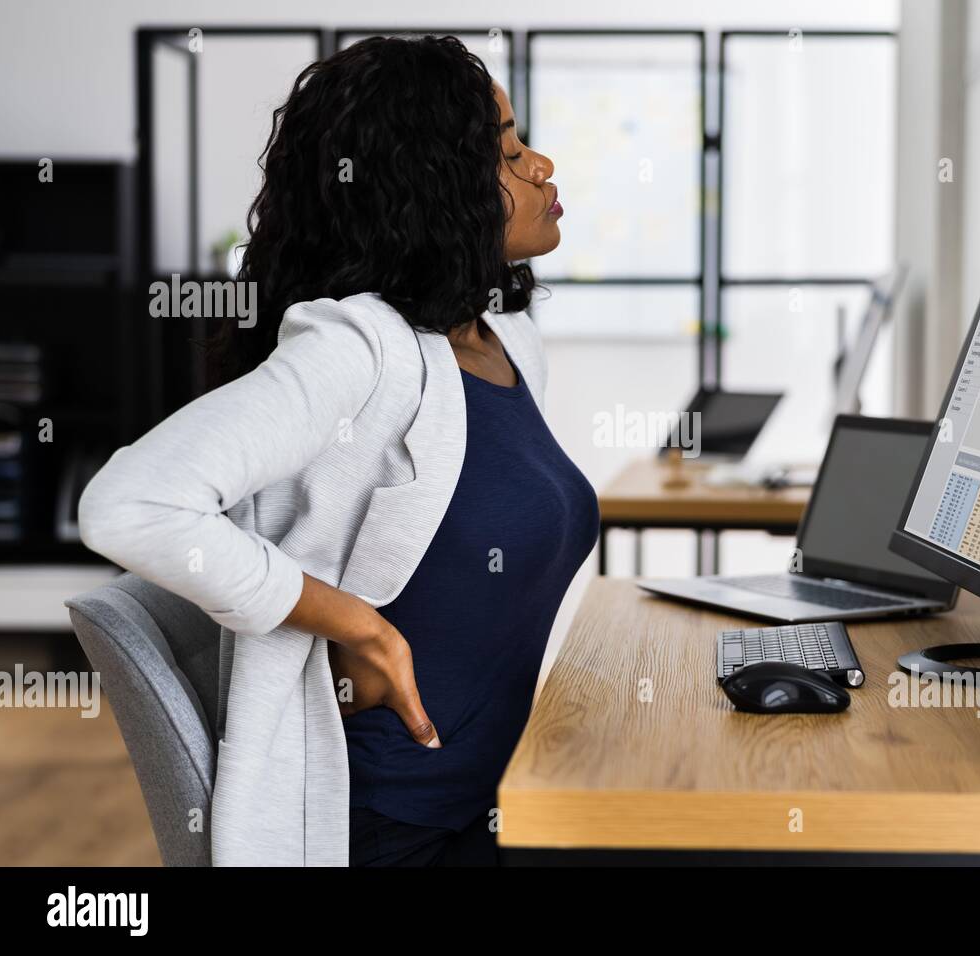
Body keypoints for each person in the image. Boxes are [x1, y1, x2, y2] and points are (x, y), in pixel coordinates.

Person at [78, 35, 598, 867]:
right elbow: (129, 504)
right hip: (402, 826)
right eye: (505, 151)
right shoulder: (358, 347)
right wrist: (351, 619)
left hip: (518, 787)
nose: (540, 165)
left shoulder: (505, 341)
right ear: (434, 190)